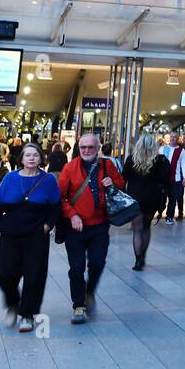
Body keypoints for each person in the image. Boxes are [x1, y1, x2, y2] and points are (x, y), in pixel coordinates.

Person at [0, 141, 61, 333]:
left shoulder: (48, 180)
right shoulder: (10, 178)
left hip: (36, 235)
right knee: (4, 273)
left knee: (34, 275)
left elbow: (56, 207)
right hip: (10, 233)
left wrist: (47, 226)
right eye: (28, 155)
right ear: (21, 158)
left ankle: (27, 314)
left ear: (41, 158)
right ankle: (13, 302)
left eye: (35, 155)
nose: (31, 158)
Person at [57, 133, 125, 325]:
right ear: (79, 148)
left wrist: (113, 183)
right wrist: (72, 215)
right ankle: (78, 305)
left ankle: (90, 290)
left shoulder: (107, 165)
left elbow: (121, 184)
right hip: (75, 227)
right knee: (77, 267)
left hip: (100, 225)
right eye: (83, 147)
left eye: (90, 147)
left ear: (98, 148)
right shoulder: (70, 168)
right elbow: (60, 197)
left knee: (97, 263)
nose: (86, 151)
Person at [122, 132, 171, 271]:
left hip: (134, 198)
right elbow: (166, 179)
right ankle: (143, 256)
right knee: (146, 227)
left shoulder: (131, 160)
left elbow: (123, 179)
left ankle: (137, 260)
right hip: (152, 198)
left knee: (137, 230)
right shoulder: (159, 160)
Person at [158, 132, 185, 224]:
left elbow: (184, 164)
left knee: (173, 199)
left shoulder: (181, 150)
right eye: (171, 137)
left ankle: (169, 216)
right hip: (163, 179)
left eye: (175, 137)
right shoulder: (162, 149)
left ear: (178, 139)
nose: (173, 139)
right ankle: (160, 211)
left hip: (176, 179)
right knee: (162, 198)